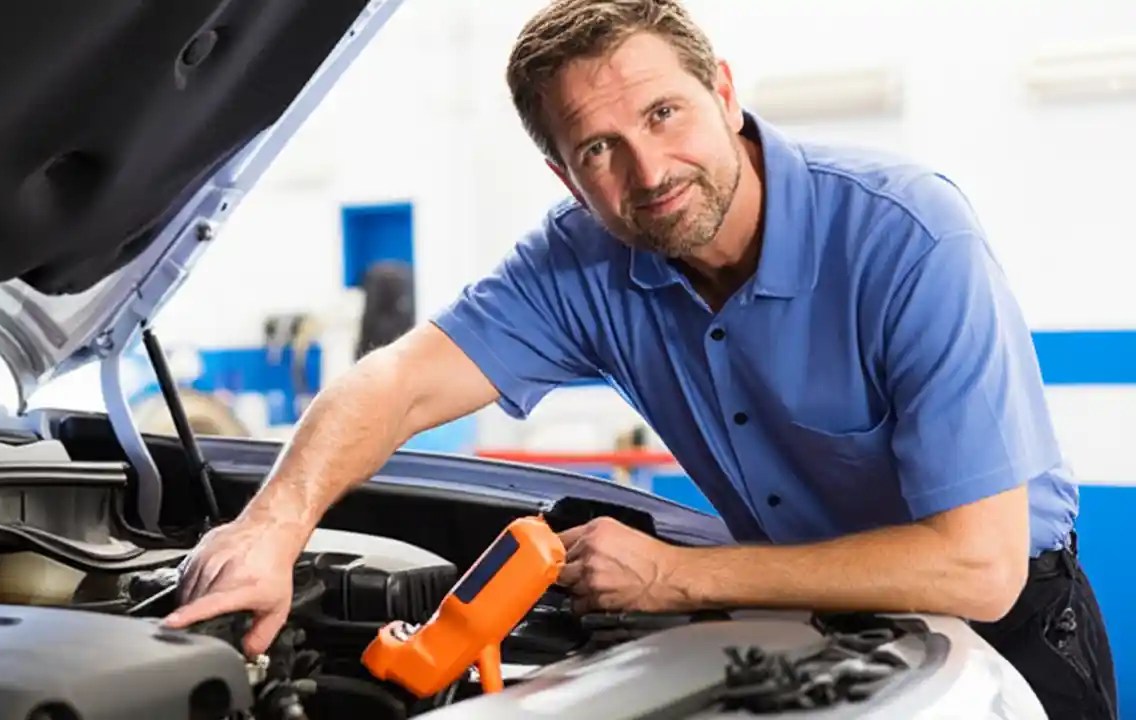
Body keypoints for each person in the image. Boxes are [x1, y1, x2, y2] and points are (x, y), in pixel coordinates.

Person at [164, 1, 1116, 716]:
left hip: (1006, 639)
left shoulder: (905, 236)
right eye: (599, 149)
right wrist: (271, 529)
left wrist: (678, 576)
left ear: (725, 93)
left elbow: (977, 567)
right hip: (807, 629)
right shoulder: (582, 260)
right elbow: (399, 383)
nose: (649, 172)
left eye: (665, 114)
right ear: (564, 176)